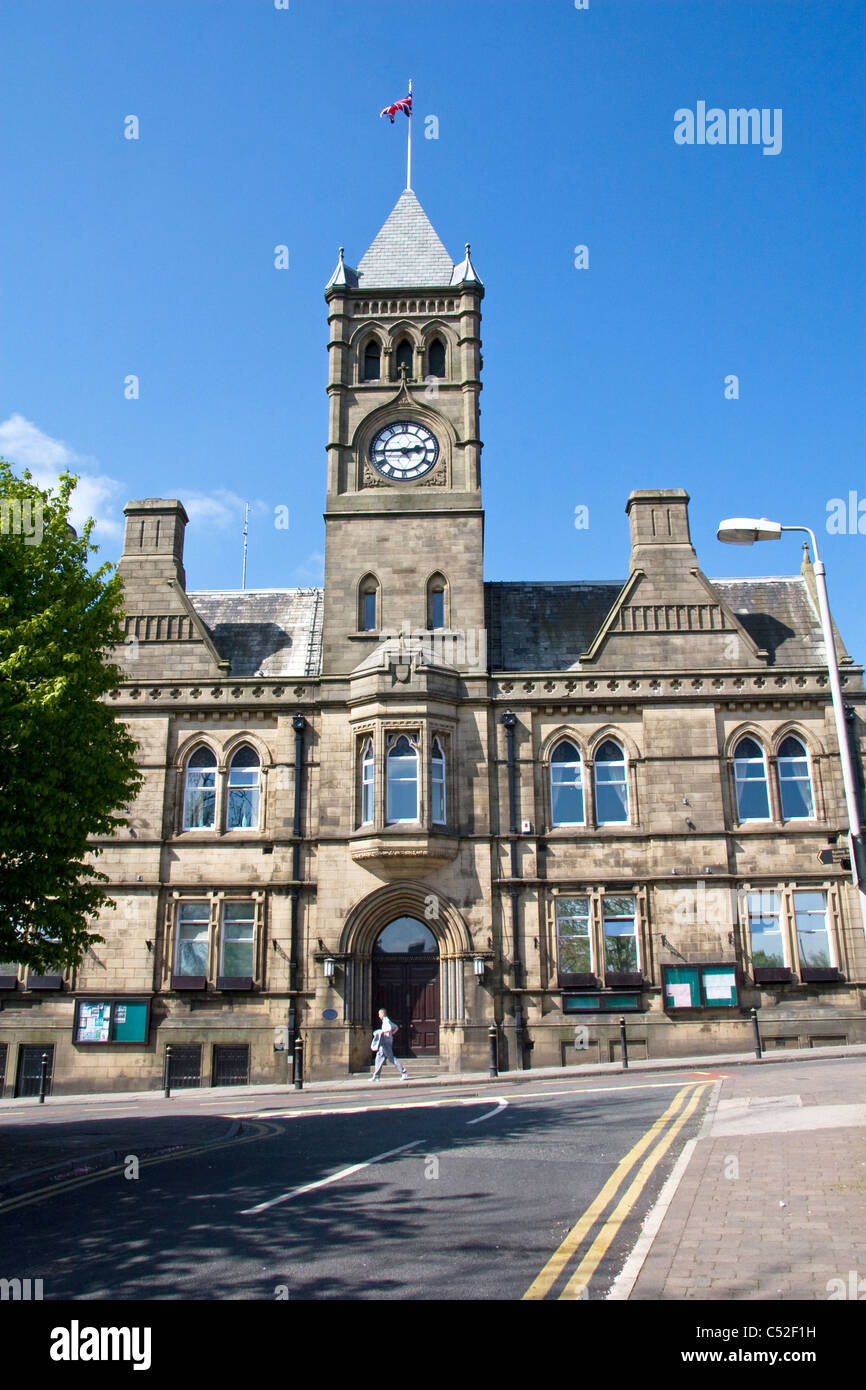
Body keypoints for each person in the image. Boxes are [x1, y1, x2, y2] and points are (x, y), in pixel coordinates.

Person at [371, 1007, 408, 1080]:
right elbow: (396, 1027)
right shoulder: (387, 1020)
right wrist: (392, 1033)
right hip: (385, 1041)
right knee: (379, 1058)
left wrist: (382, 1032)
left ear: (382, 1014)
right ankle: (376, 1076)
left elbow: (390, 1028)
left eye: (379, 1014)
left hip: (386, 1042)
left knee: (391, 1058)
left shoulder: (386, 1021)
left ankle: (403, 1071)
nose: (378, 1016)